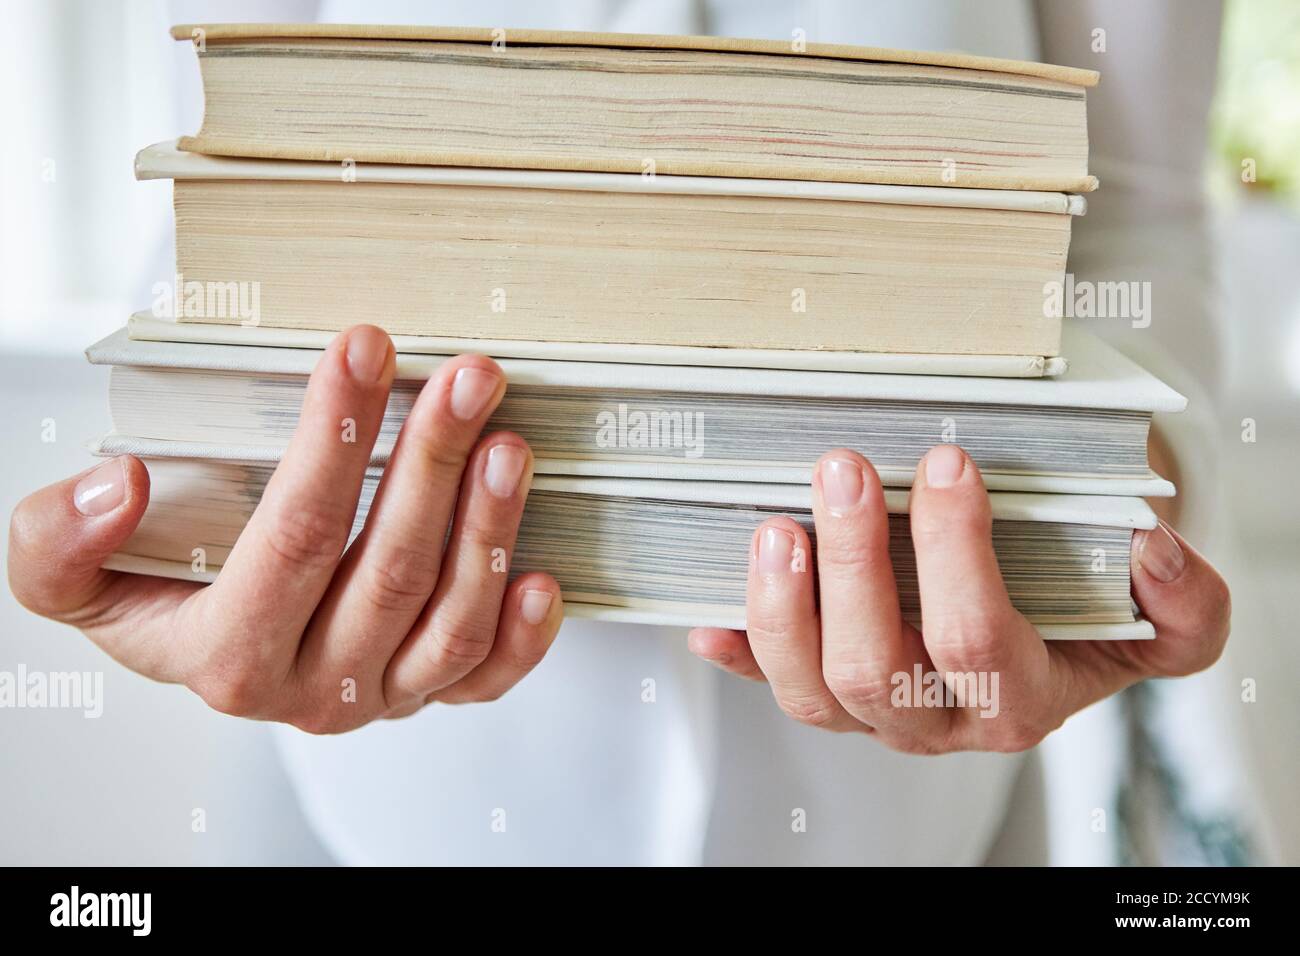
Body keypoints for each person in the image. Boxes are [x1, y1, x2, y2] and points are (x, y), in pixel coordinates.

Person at [6, 0, 1237, 865]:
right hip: (372, 817)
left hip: (919, 827)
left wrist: (1111, 521)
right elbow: (232, 186)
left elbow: (1139, 227)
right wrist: (212, 511)